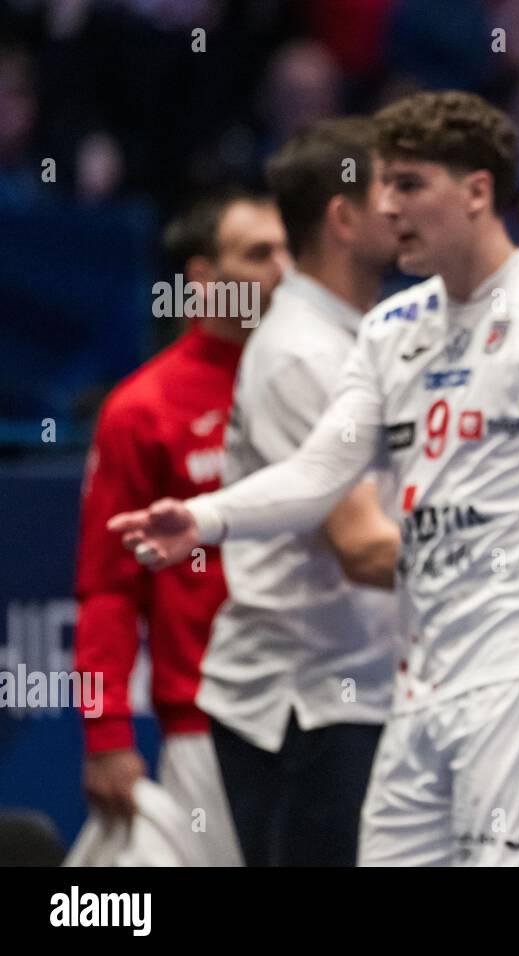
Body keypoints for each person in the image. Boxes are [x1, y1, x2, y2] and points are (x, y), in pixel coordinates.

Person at [107, 90, 519, 866]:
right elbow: (316, 476)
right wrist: (203, 520)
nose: (388, 205)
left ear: (476, 192)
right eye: (384, 185)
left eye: (409, 184)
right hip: (419, 687)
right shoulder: (389, 328)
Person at [199, 118, 402, 866]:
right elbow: (361, 547)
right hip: (303, 702)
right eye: (392, 189)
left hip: (352, 681)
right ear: (344, 219)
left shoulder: (361, 333)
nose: (405, 206)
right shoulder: (302, 352)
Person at [74, 188, 290, 866]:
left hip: (332, 711)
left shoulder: (332, 380)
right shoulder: (142, 408)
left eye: (288, 249)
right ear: (203, 281)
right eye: (259, 254)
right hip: (206, 723)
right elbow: (108, 588)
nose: (282, 269)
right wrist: (106, 731)